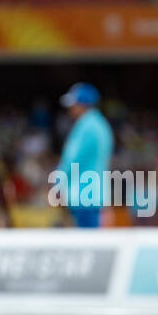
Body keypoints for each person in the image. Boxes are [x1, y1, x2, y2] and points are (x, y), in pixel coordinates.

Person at [55, 83, 113, 228]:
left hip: (83, 196)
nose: (70, 109)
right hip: (94, 194)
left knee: (87, 239)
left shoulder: (86, 126)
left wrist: (58, 183)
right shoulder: (101, 125)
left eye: (73, 105)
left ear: (82, 105)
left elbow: (71, 159)